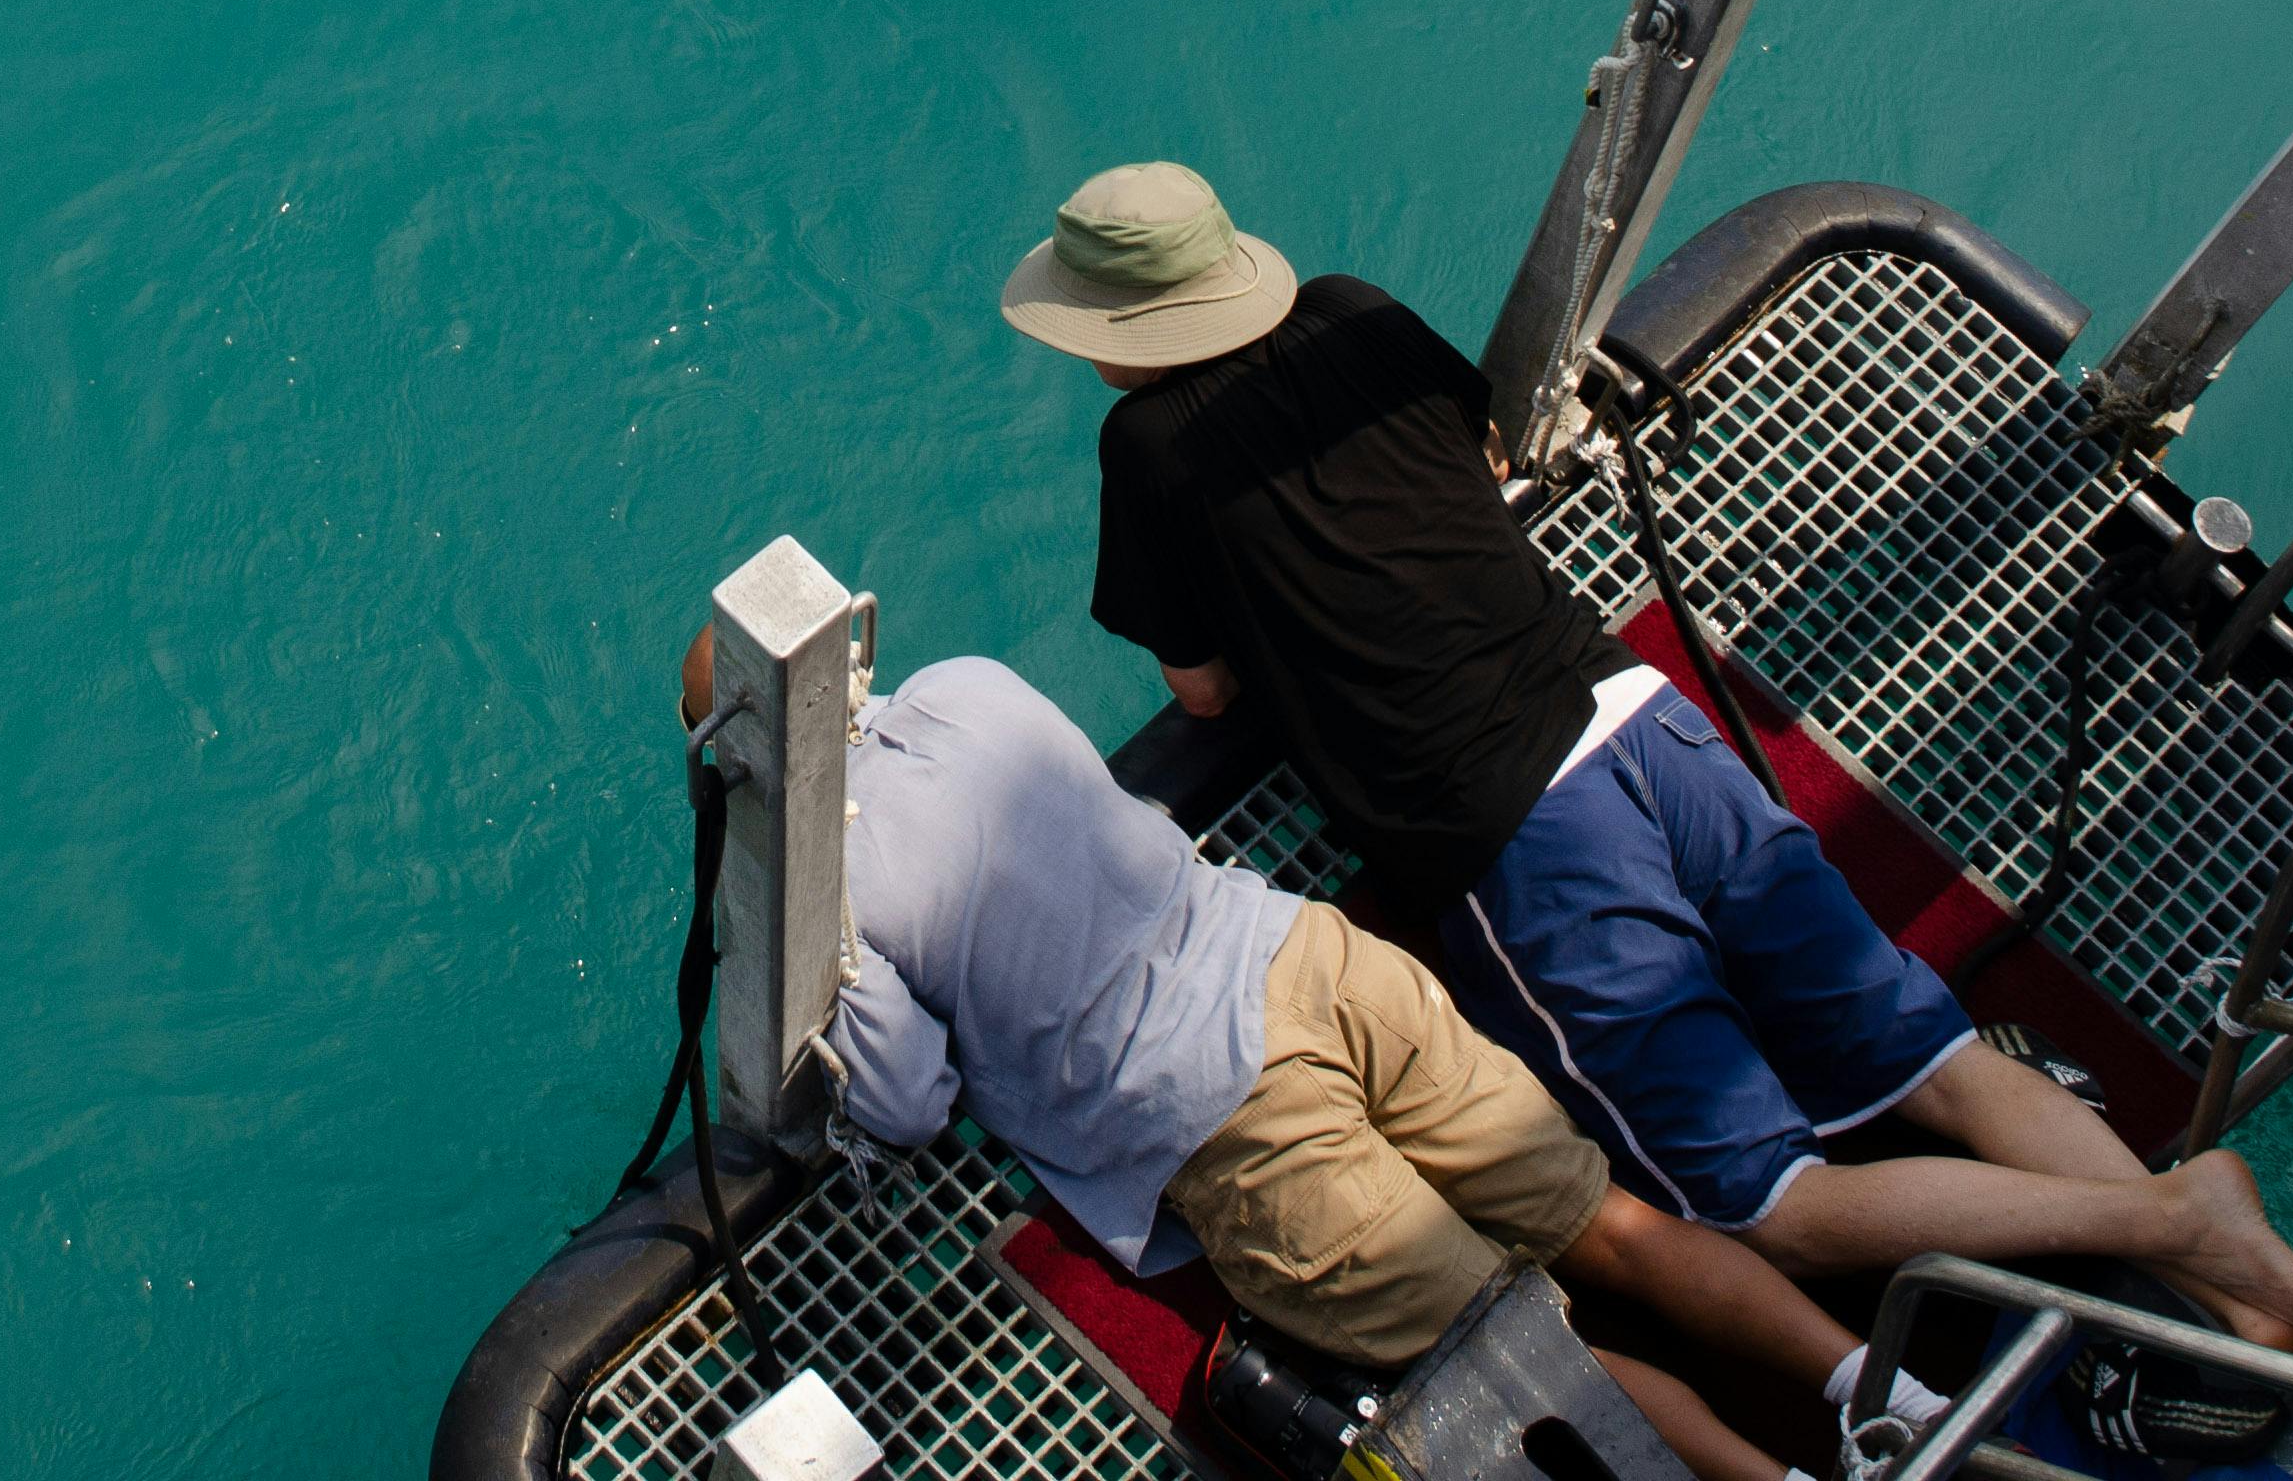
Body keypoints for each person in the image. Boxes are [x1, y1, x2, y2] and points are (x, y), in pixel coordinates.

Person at [1003, 160, 2293, 1439]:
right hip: (1641, 720)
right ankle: (2279, 1316)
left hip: (1516, 828)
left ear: (1115, 337)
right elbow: (1485, 457)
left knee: (1772, 1209)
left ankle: (2168, 1212)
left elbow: (1199, 690)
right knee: (1929, 1054)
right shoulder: (1355, 309)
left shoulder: (1151, 449)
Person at [679, 628, 1947, 1481]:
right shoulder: (963, 683)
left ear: (733, 757)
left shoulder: (822, 895)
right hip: (1307, 958)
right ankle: (1877, 1397)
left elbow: (902, 1101)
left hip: (1210, 1114)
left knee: (1516, 1349)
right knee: (1607, 1224)